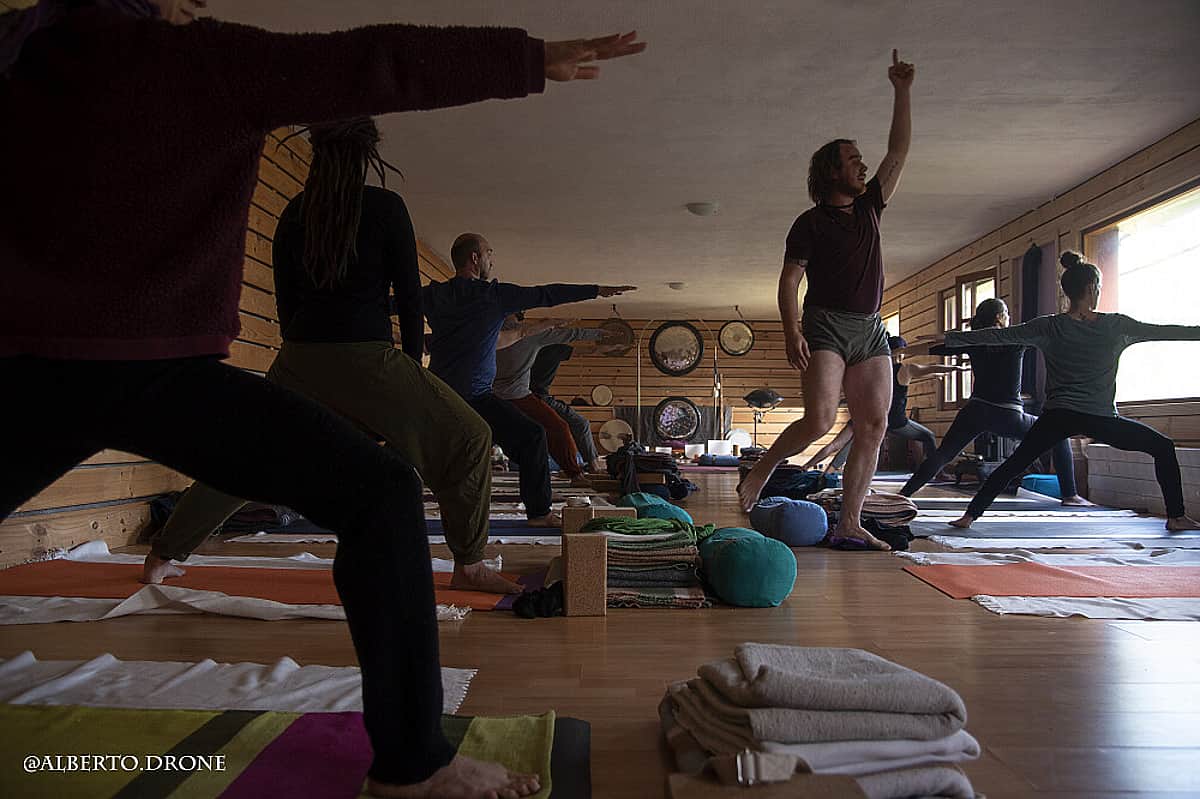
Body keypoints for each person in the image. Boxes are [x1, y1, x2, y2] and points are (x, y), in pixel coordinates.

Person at [0, 1, 645, 795]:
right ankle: (429, 703)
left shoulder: (21, 54)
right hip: (182, 368)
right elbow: (377, 60)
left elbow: (283, 293)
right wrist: (526, 58)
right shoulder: (201, 62)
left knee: (263, 468)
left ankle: (169, 550)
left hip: (48, 365)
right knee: (400, 480)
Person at [142, 118, 523, 595]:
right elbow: (409, 298)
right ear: (366, 158)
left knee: (248, 458)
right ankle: (468, 564)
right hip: (367, 358)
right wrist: (403, 379)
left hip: (300, 357)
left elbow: (286, 305)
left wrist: (310, 368)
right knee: (471, 437)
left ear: (318, 157)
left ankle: (162, 554)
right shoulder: (385, 207)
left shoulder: (294, 213)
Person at [737, 50, 916, 552]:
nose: (862, 166)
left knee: (874, 424)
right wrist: (791, 330)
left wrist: (902, 90)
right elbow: (789, 279)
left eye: (862, 160)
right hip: (826, 326)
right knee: (819, 420)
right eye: (853, 161)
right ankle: (764, 468)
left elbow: (897, 153)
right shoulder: (810, 222)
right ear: (831, 172)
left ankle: (850, 522)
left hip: (870, 327)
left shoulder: (870, 208)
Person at [933, 253, 1200, 531]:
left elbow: (997, 335)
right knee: (1163, 447)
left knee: (1015, 463)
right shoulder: (1116, 326)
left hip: (1059, 416)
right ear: (1091, 288)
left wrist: (951, 339)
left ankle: (969, 516)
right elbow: (1167, 331)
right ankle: (1176, 516)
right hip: (1099, 418)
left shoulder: (1050, 326)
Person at [423, 233, 634, 525]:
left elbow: (391, 305)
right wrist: (597, 289)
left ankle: (537, 510)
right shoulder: (492, 296)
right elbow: (547, 293)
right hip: (471, 397)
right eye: (489, 252)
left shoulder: (435, 296)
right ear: (475, 258)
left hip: (440, 394)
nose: (491, 259)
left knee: (529, 437)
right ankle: (539, 513)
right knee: (526, 439)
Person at [899, 298, 1090, 505]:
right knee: (1059, 435)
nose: (1009, 317)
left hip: (974, 412)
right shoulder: (1015, 339)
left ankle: (903, 495)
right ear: (999, 317)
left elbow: (936, 348)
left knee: (943, 454)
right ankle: (1070, 495)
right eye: (1006, 313)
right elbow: (1046, 331)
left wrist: (900, 352)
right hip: (1007, 416)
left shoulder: (976, 340)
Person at [493, 315, 606, 483]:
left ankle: (575, 473)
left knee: (557, 428)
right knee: (558, 427)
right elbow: (571, 335)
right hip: (515, 396)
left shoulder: (491, 334)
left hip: (499, 396)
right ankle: (575, 473)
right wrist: (601, 334)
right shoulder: (527, 335)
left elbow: (570, 336)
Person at [530, 343, 607, 473]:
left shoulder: (531, 345)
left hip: (527, 396)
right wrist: (610, 347)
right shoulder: (553, 348)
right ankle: (594, 466)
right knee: (580, 423)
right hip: (538, 398)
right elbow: (589, 348)